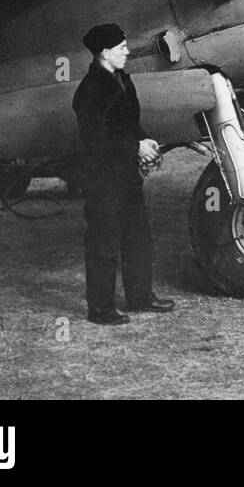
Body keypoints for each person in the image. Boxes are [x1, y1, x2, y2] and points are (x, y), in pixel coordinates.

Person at [71, 23, 174, 325]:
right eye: (121, 48)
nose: (128, 51)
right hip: (103, 178)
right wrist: (135, 148)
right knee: (103, 241)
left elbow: (129, 124)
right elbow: (96, 140)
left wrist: (146, 142)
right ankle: (100, 309)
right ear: (104, 53)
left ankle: (140, 297)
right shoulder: (90, 90)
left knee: (138, 237)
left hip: (126, 175)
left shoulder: (122, 80)